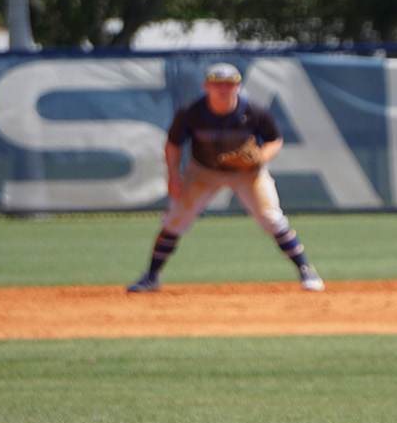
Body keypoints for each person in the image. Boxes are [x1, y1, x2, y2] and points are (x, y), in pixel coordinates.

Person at [127, 63, 324, 293]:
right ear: (206, 86)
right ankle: (151, 277)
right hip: (203, 172)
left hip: (248, 174)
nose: (223, 89)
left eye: (229, 84)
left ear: (238, 86)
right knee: (175, 220)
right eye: (217, 84)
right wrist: (173, 177)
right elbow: (173, 144)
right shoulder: (191, 112)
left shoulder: (254, 110)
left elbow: (274, 139)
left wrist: (261, 158)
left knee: (272, 219)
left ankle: (306, 270)